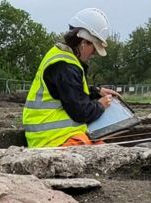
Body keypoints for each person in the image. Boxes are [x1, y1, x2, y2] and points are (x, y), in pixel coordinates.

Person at [23, 8, 122, 148]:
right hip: (52, 140)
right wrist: (100, 105)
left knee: (103, 146)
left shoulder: (61, 57)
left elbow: (70, 91)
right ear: (84, 42)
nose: (93, 53)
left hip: (54, 136)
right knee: (100, 150)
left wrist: (97, 92)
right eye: (94, 48)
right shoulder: (66, 66)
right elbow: (81, 112)